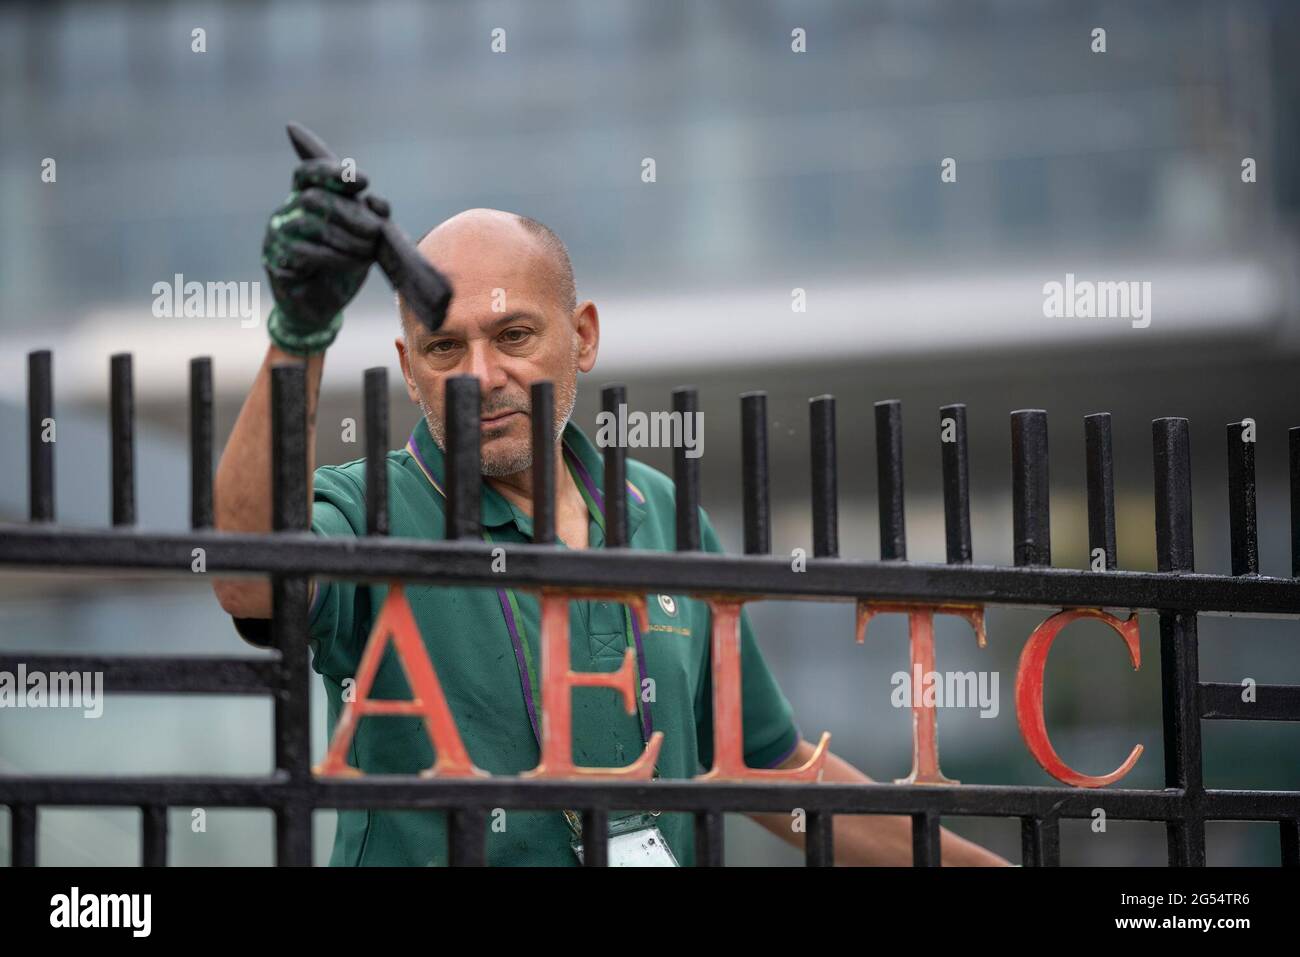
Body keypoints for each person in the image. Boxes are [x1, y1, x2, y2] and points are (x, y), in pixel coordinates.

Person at [211, 156, 1010, 867]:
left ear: (583, 336)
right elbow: (251, 580)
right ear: (407, 370)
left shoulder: (659, 510)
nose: (480, 376)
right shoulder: (368, 509)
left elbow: (764, 764)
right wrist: (300, 332)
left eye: (514, 334)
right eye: (444, 348)